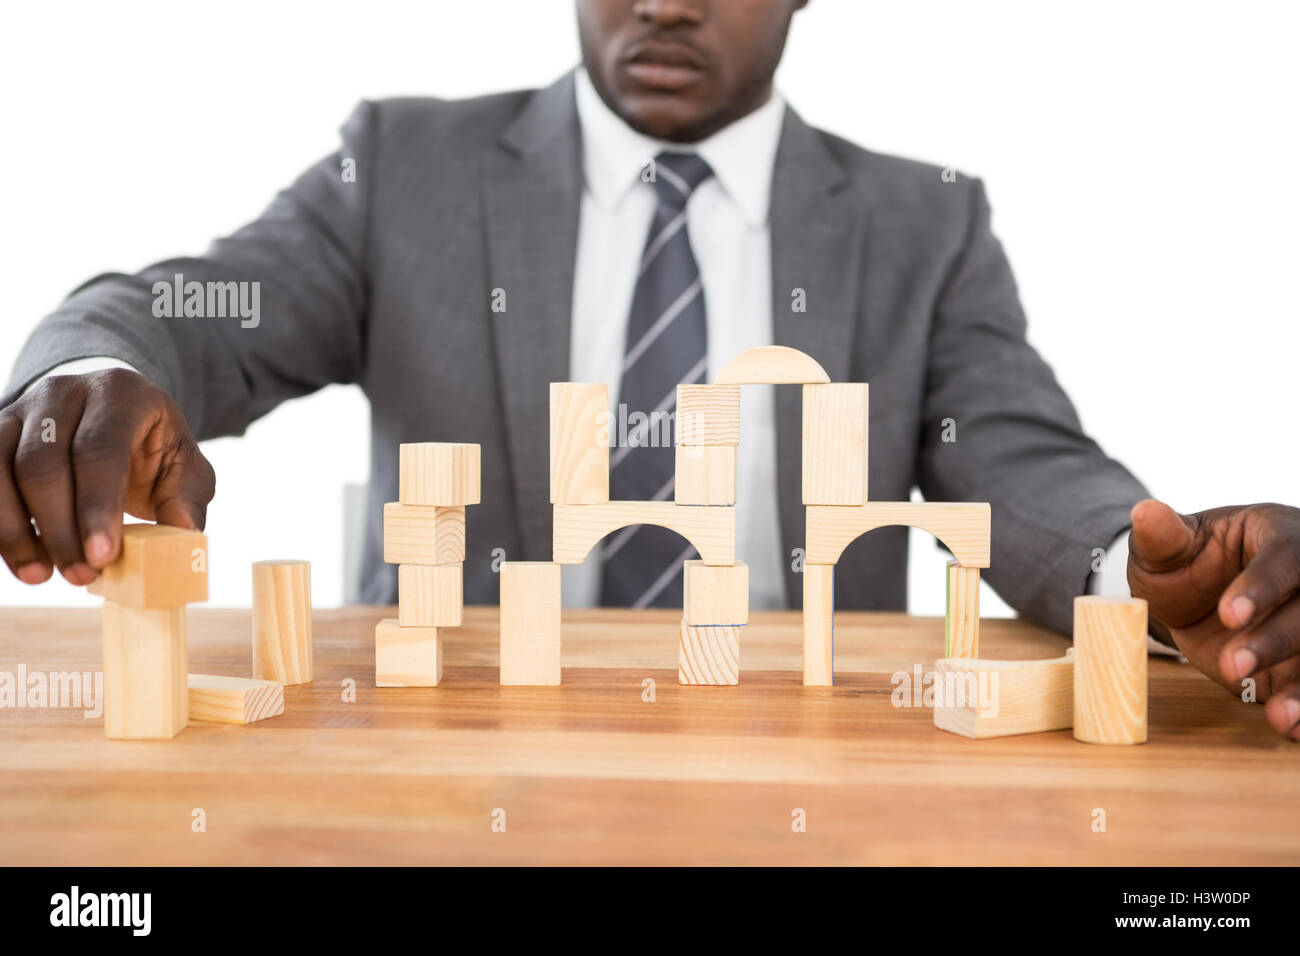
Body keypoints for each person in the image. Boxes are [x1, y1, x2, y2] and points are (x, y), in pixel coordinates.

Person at [3, 0, 1298, 739]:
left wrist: (1158, 574)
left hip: (800, 785)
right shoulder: (406, 172)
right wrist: (91, 369)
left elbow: (1017, 464)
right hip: (448, 787)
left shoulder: (921, 226)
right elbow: (176, 315)